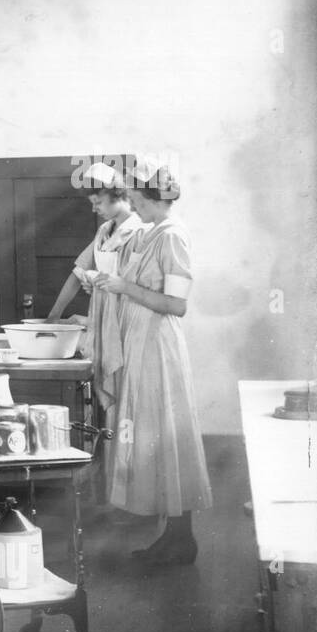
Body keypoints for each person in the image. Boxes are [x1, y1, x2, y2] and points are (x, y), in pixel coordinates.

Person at [92, 164, 212, 564]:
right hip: (142, 346)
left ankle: (181, 539)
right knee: (153, 439)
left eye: (138, 199)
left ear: (153, 198)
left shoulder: (173, 236)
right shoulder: (149, 234)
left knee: (166, 436)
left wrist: (125, 287)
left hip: (159, 349)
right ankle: (175, 538)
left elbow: (177, 305)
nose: (134, 205)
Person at [47, 162, 143, 410]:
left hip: (127, 321)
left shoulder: (139, 231)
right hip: (104, 316)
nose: (94, 208)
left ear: (117, 195)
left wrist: (100, 285)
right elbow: (77, 274)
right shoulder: (104, 230)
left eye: (98, 202)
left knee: (126, 391)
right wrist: (53, 316)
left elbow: (136, 285)